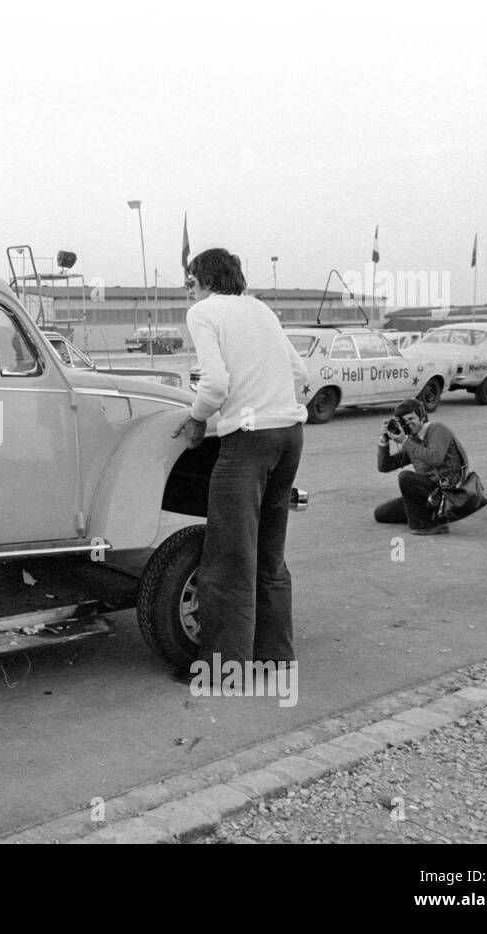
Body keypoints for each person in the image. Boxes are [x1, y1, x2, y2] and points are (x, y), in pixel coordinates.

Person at [171, 247, 310, 681]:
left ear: (204, 280)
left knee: (229, 556)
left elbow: (214, 383)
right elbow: (301, 373)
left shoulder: (204, 313)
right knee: (269, 554)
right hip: (289, 435)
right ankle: (275, 657)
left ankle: (223, 669)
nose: (189, 290)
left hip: (248, 441)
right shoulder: (261, 310)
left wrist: (196, 419)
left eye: (190, 282)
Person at [374, 398, 467, 535]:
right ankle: (426, 515)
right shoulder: (413, 439)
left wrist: (404, 441)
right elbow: (385, 466)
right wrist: (384, 440)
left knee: (405, 477)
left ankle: (428, 525)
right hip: (429, 494)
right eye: (404, 421)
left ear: (422, 417)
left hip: (449, 493)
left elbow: (434, 458)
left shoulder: (437, 429)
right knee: (381, 514)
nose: (408, 424)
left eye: (411, 418)